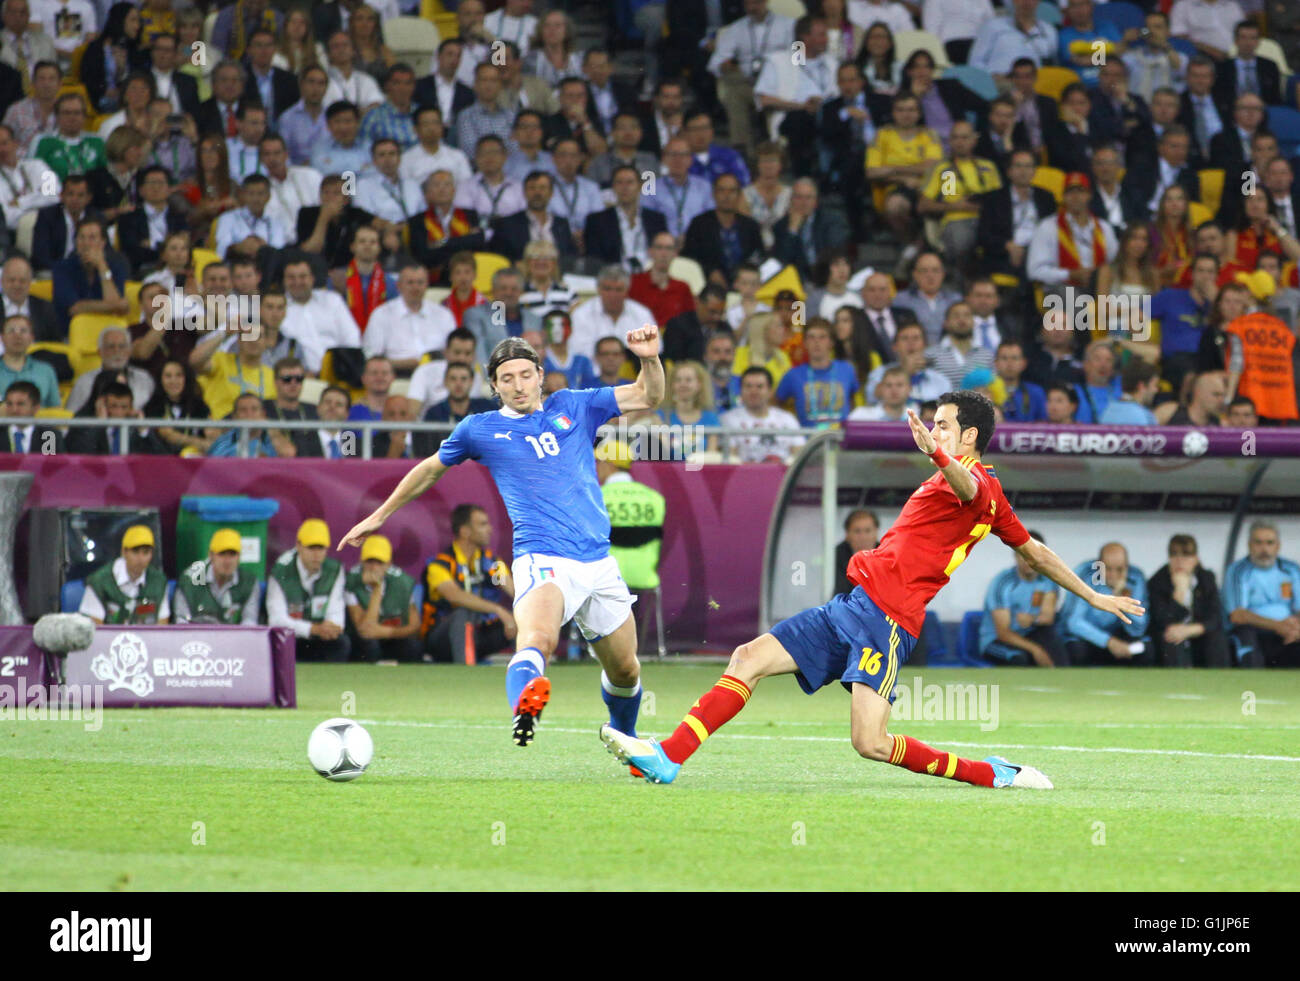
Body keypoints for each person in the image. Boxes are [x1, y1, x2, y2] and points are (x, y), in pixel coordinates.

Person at [602, 392, 1145, 787]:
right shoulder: (974, 491)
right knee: (748, 656)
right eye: (934, 425)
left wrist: (936, 454)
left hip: (888, 620)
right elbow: (1033, 551)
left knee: (870, 743)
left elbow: (971, 487)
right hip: (854, 606)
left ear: (970, 436)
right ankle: (669, 757)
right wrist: (1093, 595)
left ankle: (992, 774)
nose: (936, 430)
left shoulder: (978, 485)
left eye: (944, 425)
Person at [340, 326, 665, 750]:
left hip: (598, 563)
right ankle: (525, 707)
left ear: (540, 375)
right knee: (538, 639)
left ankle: (627, 736)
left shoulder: (575, 405)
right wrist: (380, 514)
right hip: (543, 558)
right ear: (494, 385)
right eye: (507, 378)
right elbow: (430, 468)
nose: (518, 385)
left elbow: (649, 396)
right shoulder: (480, 429)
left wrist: (649, 358)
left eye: (525, 375)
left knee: (626, 669)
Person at [421, 503, 516, 665]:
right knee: (463, 612)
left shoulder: (493, 562)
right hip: (442, 640)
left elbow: (515, 592)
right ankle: (466, 671)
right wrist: (498, 609)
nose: (490, 529)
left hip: (480, 633)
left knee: (525, 614)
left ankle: (532, 671)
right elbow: (455, 596)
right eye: (482, 524)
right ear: (464, 531)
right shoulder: (439, 564)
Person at [979, 530, 1067, 666]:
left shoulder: (1048, 580)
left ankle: (1063, 682)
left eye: (1033, 555)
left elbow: (1047, 618)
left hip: (1028, 633)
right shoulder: (1003, 583)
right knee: (1020, 658)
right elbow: (1003, 632)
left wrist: (1032, 619)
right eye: (1023, 555)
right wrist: (1035, 650)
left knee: (1056, 646)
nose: (1028, 561)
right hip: (996, 640)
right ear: (1015, 555)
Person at [268, 518, 350, 662]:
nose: (316, 554)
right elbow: (276, 620)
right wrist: (312, 629)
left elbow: (337, 615)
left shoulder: (334, 570)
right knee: (278, 641)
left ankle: (333, 682)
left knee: (341, 643)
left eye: (321, 548)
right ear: (298, 546)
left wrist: (330, 628)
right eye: (311, 548)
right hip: (293, 638)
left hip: (321, 637)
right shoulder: (281, 571)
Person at [1223, 520, 1300, 668]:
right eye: (1258, 543)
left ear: (1278, 546)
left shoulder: (1292, 569)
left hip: (1287, 630)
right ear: (1249, 545)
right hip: (1253, 629)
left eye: (1269, 543)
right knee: (1246, 638)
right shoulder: (1239, 571)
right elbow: (1238, 615)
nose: (1264, 549)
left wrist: (1295, 628)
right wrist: (1277, 625)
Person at [1146, 533, 1229, 668]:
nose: (1179, 560)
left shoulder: (1206, 579)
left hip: (1197, 633)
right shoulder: (1157, 582)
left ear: (1195, 559)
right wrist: (1179, 593)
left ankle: (1221, 683)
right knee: (1171, 639)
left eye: (1186, 555)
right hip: (1171, 635)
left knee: (1217, 639)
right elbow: (1161, 620)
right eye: (1174, 554)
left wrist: (1190, 630)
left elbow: (1215, 617)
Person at [1060, 541, 1150, 665]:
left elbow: (1139, 629)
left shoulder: (1135, 578)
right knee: (1077, 649)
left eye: (1119, 569)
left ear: (1126, 567)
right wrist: (1108, 642)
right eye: (1108, 568)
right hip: (1091, 639)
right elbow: (1074, 623)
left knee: (1147, 649)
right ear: (1099, 565)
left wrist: (1120, 596)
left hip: (1119, 639)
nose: (1113, 575)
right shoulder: (1087, 575)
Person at [363, 263, 455, 375]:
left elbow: (455, 352)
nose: (415, 287)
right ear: (399, 285)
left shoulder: (443, 314)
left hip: (438, 375)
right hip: (395, 375)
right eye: (410, 282)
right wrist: (403, 364)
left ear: (427, 285)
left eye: (420, 282)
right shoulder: (382, 314)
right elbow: (371, 357)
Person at [344, 534, 421, 663]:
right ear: (361, 561)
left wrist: (386, 632)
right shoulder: (351, 582)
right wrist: (377, 590)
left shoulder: (401, 582)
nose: (374, 567)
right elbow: (365, 630)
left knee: (413, 647)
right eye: (369, 561)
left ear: (389, 564)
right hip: (361, 642)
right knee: (369, 645)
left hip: (390, 637)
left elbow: (414, 626)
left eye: (380, 562)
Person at [79, 524, 169, 624]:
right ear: (124, 552)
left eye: (146, 552)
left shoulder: (159, 581)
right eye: (135, 552)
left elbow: (162, 625)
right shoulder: (99, 581)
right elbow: (94, 627)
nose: (140, 558)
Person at [775, 320, 857, 427]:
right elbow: (775, 403)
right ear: (805, 343)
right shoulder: (793, 375)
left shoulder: (847, 370)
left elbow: (852, 401)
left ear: (831, 343)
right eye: (811, 337)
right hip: (808, 440)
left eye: (822, 337)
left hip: (841, 438)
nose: (816, 342)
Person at [173, 528, 260, 624]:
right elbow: (181, 623)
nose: (227, 561)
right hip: (197, 637)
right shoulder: (189, 581)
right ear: (211, 555)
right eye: (222, 554)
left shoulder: (248, 582)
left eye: (232, 554)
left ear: (239, 557)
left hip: (234, 637)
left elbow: (250, 622)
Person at [719, 366, 804, 463]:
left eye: (759, 386)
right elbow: (730, 462)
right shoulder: (728, 419)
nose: (753, 391)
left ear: (770, 391)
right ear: (740, 390)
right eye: (748, 386)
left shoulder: (787, 418)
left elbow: (799, 456)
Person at [0, 314, 59, 407]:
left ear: (32, 338)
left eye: (23, 331)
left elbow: (55, 410)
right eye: (11, 331)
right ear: (2, 337)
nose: (17, 336)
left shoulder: (46, 371)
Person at [994, 341, 1047, 423]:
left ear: (1023, 363)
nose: (1009, 363)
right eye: (1004, 358)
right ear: (996, 363)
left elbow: (1043, 424)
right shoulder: (987, 393)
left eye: (1015, 358)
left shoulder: (1036, 392)